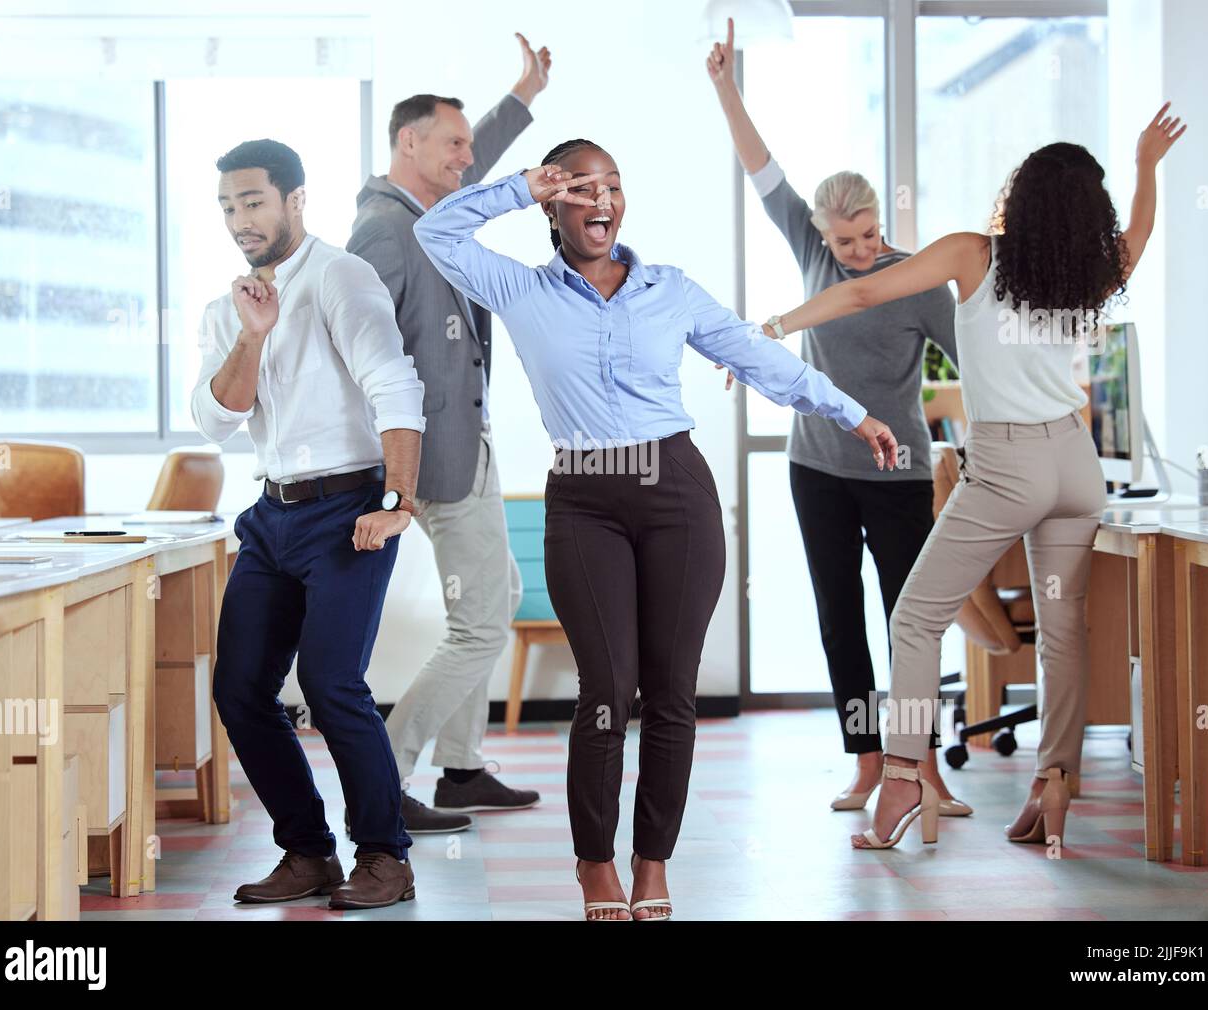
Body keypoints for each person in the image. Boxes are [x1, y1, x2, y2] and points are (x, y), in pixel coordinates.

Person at [414, 141, 897, 918]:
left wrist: (850, 413)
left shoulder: (669, 290)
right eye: (579, 188)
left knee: (671, 694)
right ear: (553, 203)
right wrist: (516, 186)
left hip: (675, 490)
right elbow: (435, 234)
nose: (601, 200)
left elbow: (756, 354)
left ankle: (651, 861)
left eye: (612, 185)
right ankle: (593, 861)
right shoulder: (521, 289)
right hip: (583, 499)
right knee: (606, 692)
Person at [761, 104, 1186, 851]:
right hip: (1076, 468)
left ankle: (900, 779)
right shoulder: (1089, 271)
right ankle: (1055, 783)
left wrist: (778, 326)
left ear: (1016, 199)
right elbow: (1142, 231)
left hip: (1009, 466)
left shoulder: (972, 256)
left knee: (915, 618)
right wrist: (1148, 163)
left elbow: (863, 291)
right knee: (1062, 636)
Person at [706, 18, 969, 817]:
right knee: (839, 621)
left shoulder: (917, 279)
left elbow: (971, 365)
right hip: (817, 467)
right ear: (821, 235)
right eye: (846, 241)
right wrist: (725, 85)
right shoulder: (814, 253)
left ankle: (922, 768)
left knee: (908, 623)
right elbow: (762, 167)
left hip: (897, 474)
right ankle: (864, 763)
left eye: (870, 237)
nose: (860, 252)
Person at [191, 138, 425, 909]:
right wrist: (252, 335)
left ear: (294, 200)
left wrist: (396, 503)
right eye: (228, 205)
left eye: (253, 201)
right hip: (273, 513)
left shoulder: (339, 276)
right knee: (238, 689)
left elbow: (394, 383)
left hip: (350, 507)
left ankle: (385, 857)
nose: (239, 219)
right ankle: (307, 853)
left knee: (331, 685)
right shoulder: (228, 308)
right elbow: (217, 419)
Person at [346, 32, 552, 836]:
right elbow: (363, 353)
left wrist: (524, 95)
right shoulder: (383, 230)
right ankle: (385, 777)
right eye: (453, 143)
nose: (468, 158)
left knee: (495, 593)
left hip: (465, 442)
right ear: (409, 143)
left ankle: (462, 767)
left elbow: (476, 160)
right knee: (482, 623)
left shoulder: (425, 211)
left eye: (470, 143)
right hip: (434, 457)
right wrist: (398, 471)